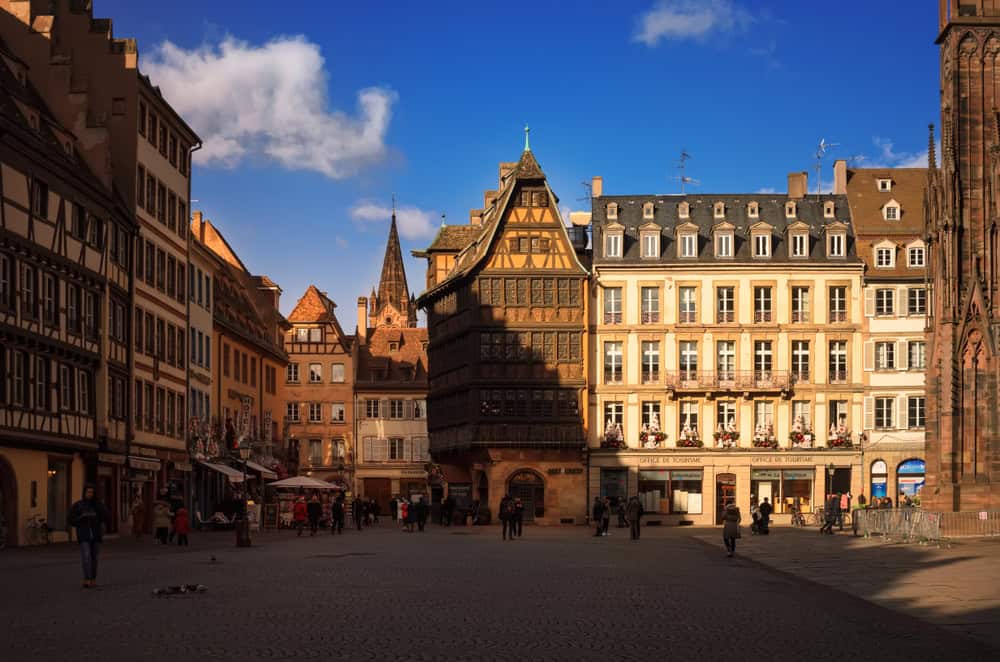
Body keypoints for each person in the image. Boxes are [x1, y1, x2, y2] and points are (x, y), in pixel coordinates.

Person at [70, 485, 109, 588]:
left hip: (96, 535)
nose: (90, 494)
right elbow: (71, 520)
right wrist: (81, 518)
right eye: (88, 492)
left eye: (92, 492)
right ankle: (86, 579)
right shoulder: (78, 505)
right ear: (84, 493)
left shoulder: (98, 505)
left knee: (94, 558)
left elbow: (105, 516)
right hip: (84, 535)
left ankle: (93, 579)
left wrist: (99, 511)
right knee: (86, 557)